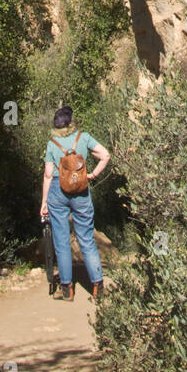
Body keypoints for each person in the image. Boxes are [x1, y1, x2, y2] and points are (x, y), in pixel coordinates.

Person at [40, 105, 110, 300]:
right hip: (81, 191)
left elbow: (47, 174)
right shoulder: (83, 137)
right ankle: (97, 286)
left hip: (57, 191)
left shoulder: (52, 143)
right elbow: (105, 155)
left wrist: (44, 202)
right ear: (71, 123)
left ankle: (67, 289)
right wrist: (92, 175)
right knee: (86, 238)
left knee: (61, 242)